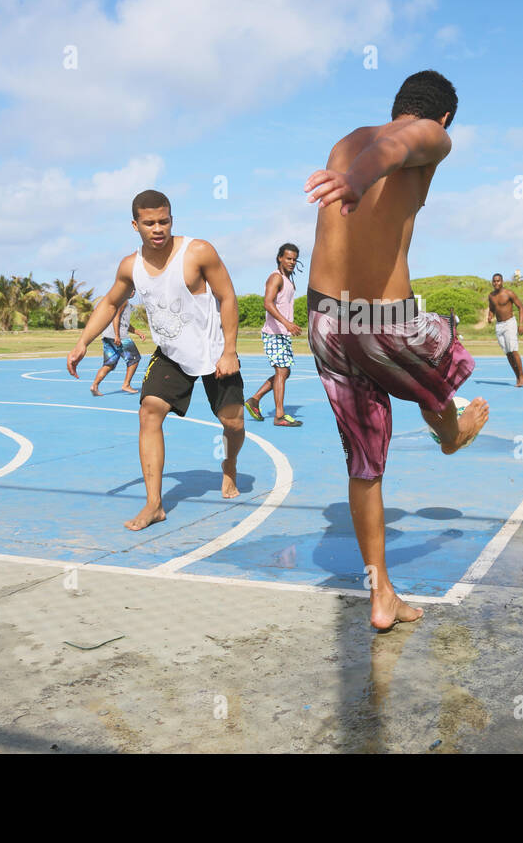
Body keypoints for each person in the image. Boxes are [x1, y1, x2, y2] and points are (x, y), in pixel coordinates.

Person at [303, 69, 490, 631]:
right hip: (384, 320)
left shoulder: (344, 140)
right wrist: (359, 181)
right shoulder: (433, 134)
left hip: (325, 320)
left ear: (394, 103)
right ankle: (450, 429)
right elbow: (399, 144)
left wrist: (352, 172)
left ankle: (380, 595)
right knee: (443, 346)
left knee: (365, 463)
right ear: (445, 116)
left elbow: (381, 143)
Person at [66, 190, 245, 531]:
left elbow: (227, 296)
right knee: (149, 410)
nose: (158, 228)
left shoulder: (198, 251)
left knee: (232, 422)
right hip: (171, 354)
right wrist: (82, 341)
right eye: (149, 223)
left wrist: (230, 351)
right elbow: (108, 303)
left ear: (172, 220)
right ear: (135, 225)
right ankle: (154, 503)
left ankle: (230, 464)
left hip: (212, 349)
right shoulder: (130, 266)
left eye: (164, 221)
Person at [245, 243, 304, 426]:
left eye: (294, 259)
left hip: (282, 334)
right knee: (281, 370)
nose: (292, 262)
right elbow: (267, 303)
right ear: (280, 258)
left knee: (284, 371)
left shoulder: (289, 280)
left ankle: (254, 400)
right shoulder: (275, 278)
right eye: (288, 258)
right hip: (273, 333)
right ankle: (279, 416)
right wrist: (287, 323)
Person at [90, 291, 145, 395]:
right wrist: (117, 335)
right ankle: (126, 384)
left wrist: (137, 332)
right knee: (135, 358)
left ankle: (94, 385)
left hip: (107, 336)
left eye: (134, 290)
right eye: (130, 289)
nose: (132, 291)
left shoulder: (121, 302)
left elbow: (123, 322)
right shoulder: (123, 301)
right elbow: (116, 317)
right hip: (119, 336)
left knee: (109, 364)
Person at [487, 273, 523, 386]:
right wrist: (490, 316)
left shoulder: (509, 293)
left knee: (513, 350)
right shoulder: (491, 296)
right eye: (494, 281)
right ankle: (517, 377)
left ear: (502, 281)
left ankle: (522, 377)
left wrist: (521, 324)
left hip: (510, 323)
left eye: (498, 281)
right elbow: (492, 308)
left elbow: (521, 307)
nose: (496, 283)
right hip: (499, 326)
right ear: (492, 282)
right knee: (508, 353)